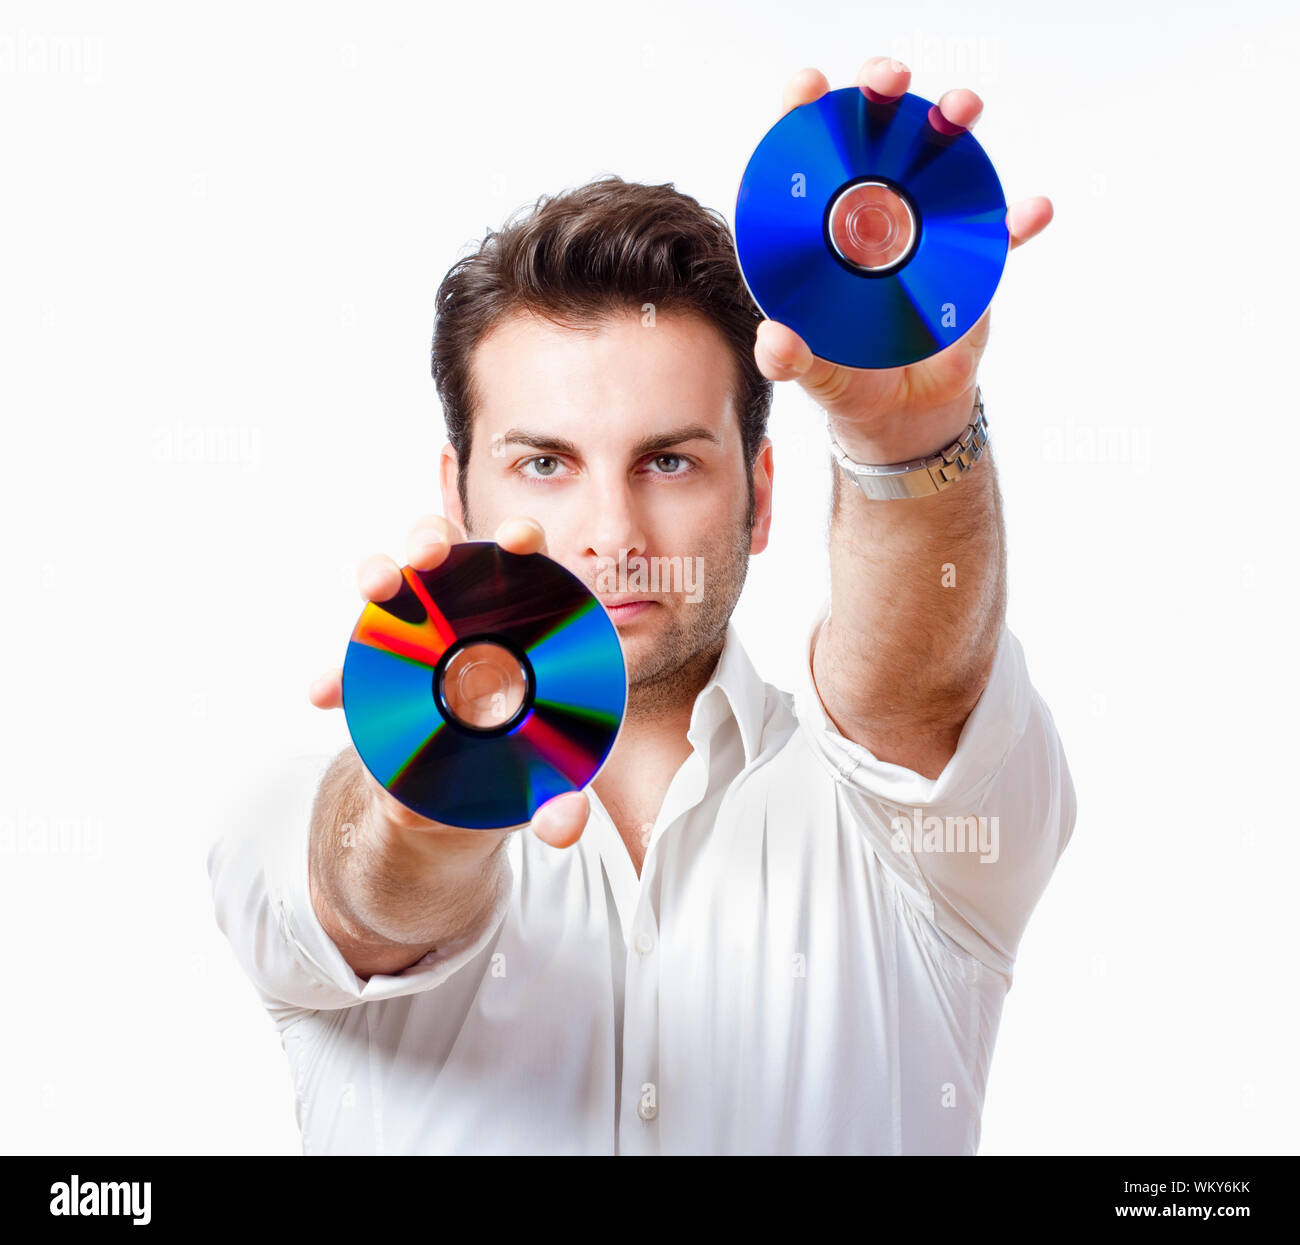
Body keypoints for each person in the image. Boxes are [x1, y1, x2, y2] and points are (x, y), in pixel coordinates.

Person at [208, 55, 1074, 1155]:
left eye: (668, 462)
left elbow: (912, 694)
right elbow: (368, 898)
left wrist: (910, 435)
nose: (610, 534)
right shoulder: (286, 815)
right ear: (454, 494)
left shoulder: (909, 832)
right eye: (543, 465)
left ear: (760, 497)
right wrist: (426, 810)